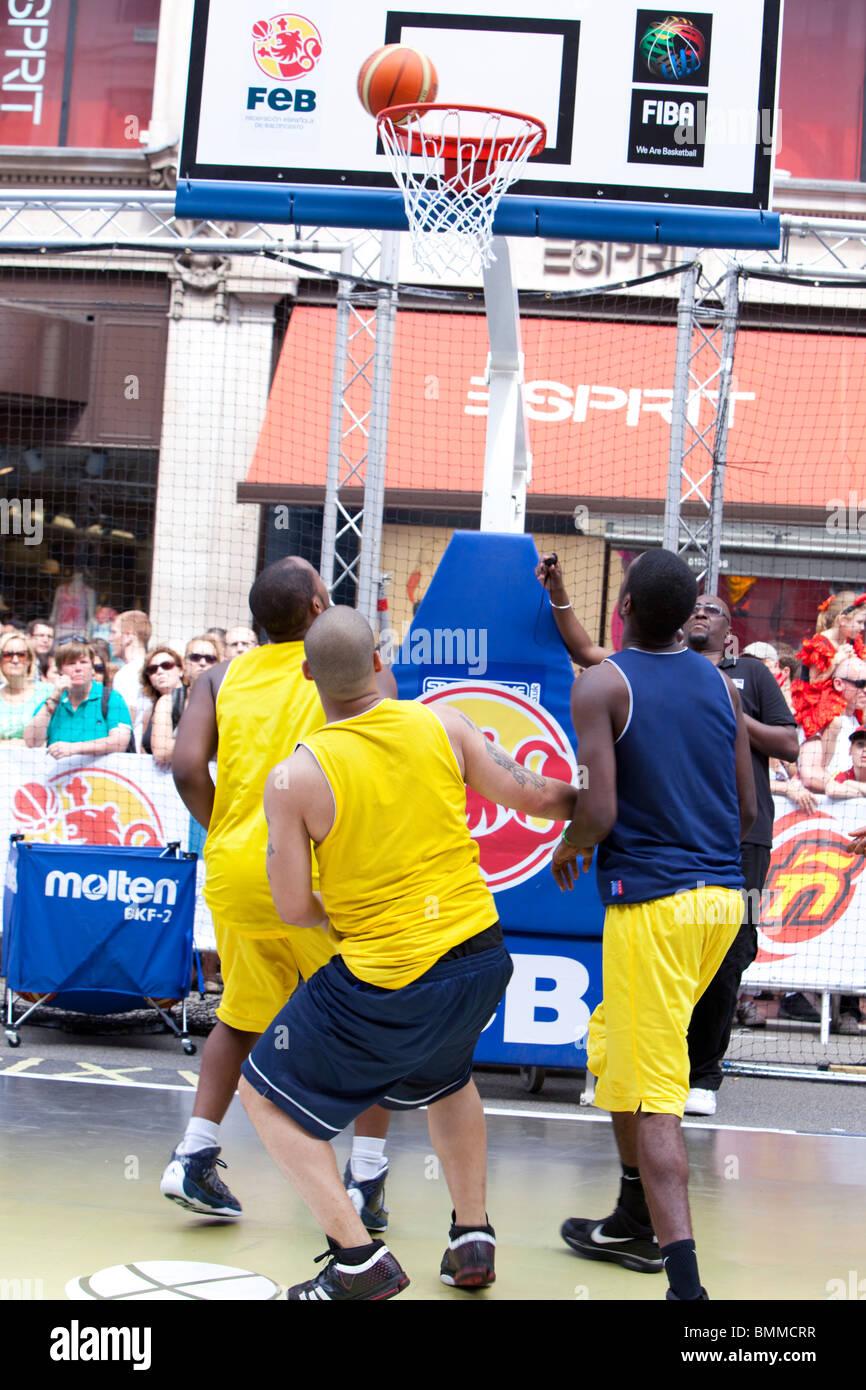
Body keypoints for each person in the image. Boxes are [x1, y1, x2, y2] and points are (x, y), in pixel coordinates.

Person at [237, 604, 580, 1300]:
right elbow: (542, 796)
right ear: (378, 662)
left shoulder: (295, 779)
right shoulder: (443, 724)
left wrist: (367, 910)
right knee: (448, 1080)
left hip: (391, 974)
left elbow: (295, 909)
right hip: (481, 955)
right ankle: (472, 1236)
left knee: (263, 1095)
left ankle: (358, 1260)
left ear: (308, 676)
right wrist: (617, 803)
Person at [160, 561, 396, 1224]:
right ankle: (366, 1178)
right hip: (321, 877)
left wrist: (229, 828)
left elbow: (185, 767)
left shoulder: (217, 676)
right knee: (371, 1023)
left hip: (239, 870)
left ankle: (195, 1155)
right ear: (321, 603)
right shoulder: (352, 666)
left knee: (238, 1015)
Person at [551, 550, 755, 1302]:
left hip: (655, 906)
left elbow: (598, 810)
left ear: (625, 605)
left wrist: (569, 845)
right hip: (721, 903)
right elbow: (746, 801)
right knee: (614, 1046)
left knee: (658, 1088)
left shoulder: (600, 684)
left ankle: (685, 1287)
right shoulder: (714, 680)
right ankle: (633, 1216)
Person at [681, 599, 798, 1098]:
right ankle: (664, 1063)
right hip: (679, 832)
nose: (700, 613)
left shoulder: (749, 673)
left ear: (729, 627)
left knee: (733, 946)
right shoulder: (664, 669)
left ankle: (704, 1074)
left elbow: (789, 745)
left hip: (745, 839)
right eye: (692, 608)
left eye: (712, 608)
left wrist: (734, 710)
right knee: (675, 940)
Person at [23, 638, 133, 758]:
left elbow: (119, 743)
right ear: (60, 670)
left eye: (84, 662)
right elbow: (31, 742)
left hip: (100, 775)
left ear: (92, 668)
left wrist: (74, 748)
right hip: (60, 775)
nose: (78, 668)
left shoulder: (111, 698)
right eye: (71, 663)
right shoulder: (53, 701)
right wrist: (53, 699)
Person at [790, 591, 866, 737]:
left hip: (846, 704)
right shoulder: (821, 643)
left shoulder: (852, 641)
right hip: (818, 709)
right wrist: (836, 661)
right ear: (843, 620)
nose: (862, 627)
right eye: (859, 622)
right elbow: (813, 682)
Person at [150, 635, 223, 768]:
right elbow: (161, 752)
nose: (202, 662)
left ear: (218, 665)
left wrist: (180, 746)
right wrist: (212, 742)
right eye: (195, 657)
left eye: (210, 659)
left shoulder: (226, 703)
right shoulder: (168, 701)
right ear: (184, 664)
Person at [0, 633, 53, 746]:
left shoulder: (49, 692)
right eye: (8, 655)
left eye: (21, 655)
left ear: (29, 660)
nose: (15, 660)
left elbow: (57, 738)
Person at [110, 611, 153, 749]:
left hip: (134, 753)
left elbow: (126, 718)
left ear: (128, 636)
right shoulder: (155, 667)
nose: (110, 639)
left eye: (114, 632)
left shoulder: (127, 674)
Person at [138, 647, 184, 765]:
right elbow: (143, 750)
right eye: (152, 669)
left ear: (181, 670)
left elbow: (161, 751)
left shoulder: (193, 700)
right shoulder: (148, 712)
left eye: (167, 665)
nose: (159, 671)